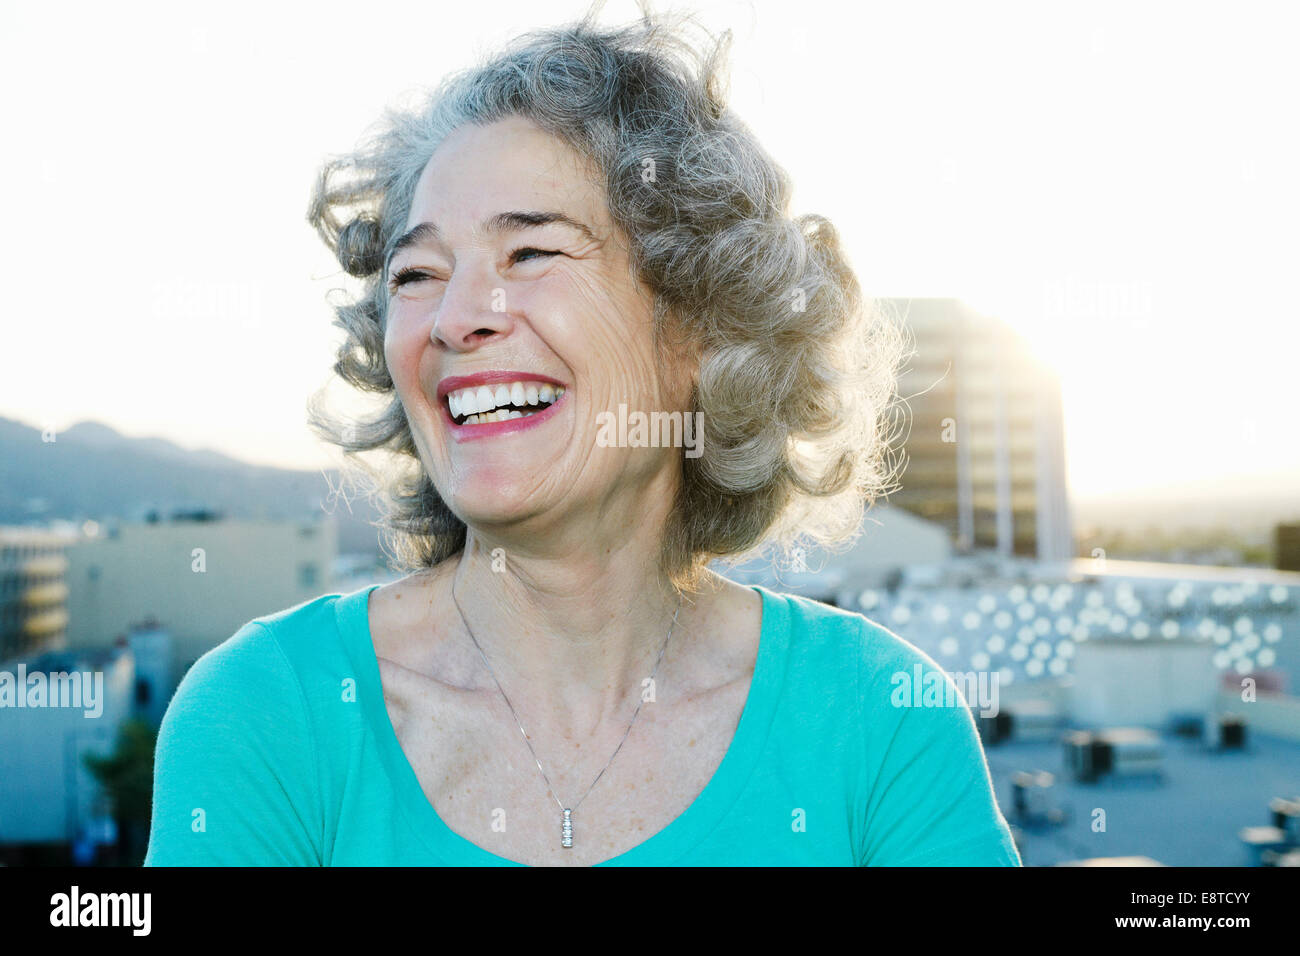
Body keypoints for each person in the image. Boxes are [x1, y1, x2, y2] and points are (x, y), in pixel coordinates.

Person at [144, 4, 1020, 867]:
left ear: (702, 330)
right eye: (418, 273)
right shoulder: (267, 712)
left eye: (530, 253)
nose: (455, 318)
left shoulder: (878, 721)